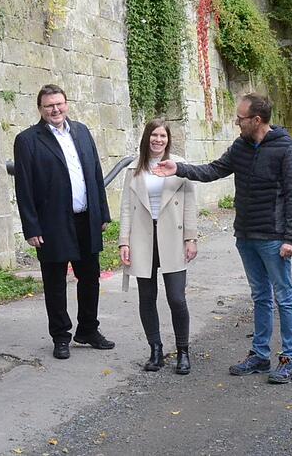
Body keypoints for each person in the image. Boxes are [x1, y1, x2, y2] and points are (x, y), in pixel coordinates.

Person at [153, 93, 292, 383]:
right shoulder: (241, 147)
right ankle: (260, 355)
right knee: (260, 296)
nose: (237, 123)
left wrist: (290, 238)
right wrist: (179, 168)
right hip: (245, 235)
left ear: (256, 120)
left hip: (273, 238)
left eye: (240, 118)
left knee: (283, 297)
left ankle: (288, 359)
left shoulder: (287, 149)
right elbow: (214, 170)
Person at [13, 84, 116, 360]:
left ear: (66, 104)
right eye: (49, 106)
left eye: (59, 104)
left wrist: (102, 213)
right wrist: (31, 227)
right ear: (40, 109)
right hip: (52, 222)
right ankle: (61, 336)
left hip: (85, 218)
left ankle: (88, 329)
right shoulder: (27, 140)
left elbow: (95, 173)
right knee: (55, 282)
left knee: (90, 277)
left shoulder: (81, 131)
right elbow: (24, 188)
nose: (55, 109)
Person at [118, 119, 198, 374]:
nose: (158, 140)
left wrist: (191, 238)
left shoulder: (179, 166)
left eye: (162, 136)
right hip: (143, 236)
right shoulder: (133, 169)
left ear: (168, 139)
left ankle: (183, 351)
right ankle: (155, 349)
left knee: (177, 297)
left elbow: (189, 204)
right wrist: (124, 241)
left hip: (172, 236)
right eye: (154, 135)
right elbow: (126, 209)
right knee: (147, 297)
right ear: (146, 138)